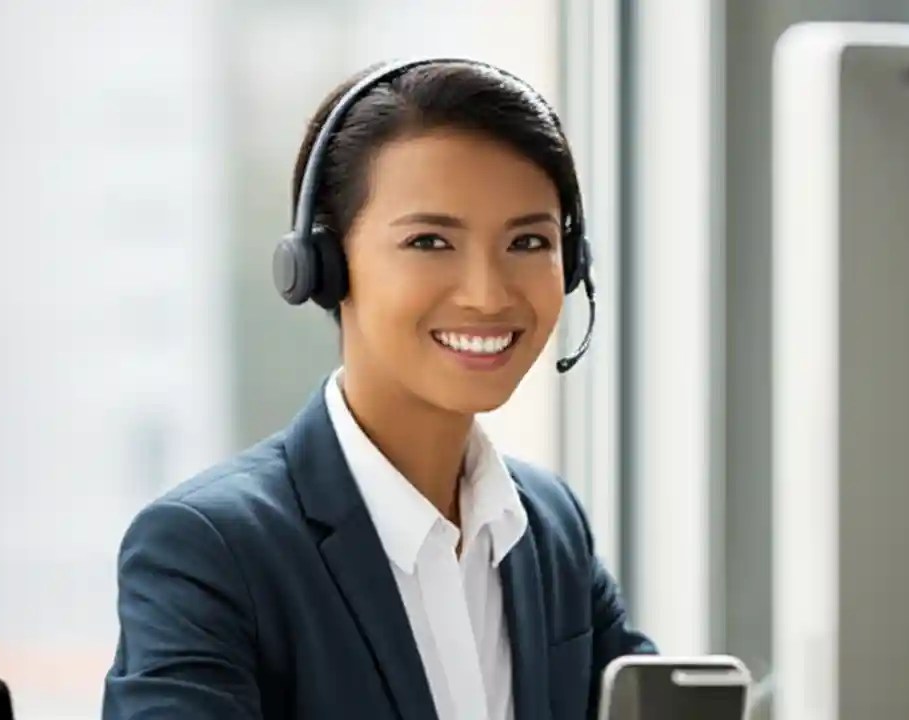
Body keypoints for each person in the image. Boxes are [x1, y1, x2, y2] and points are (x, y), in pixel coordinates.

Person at [102, 58, 655, 720]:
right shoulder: (209, 550)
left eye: (528, 241)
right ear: (325, 265)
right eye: (430, 241)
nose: (486, 294)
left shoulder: (548, 526)